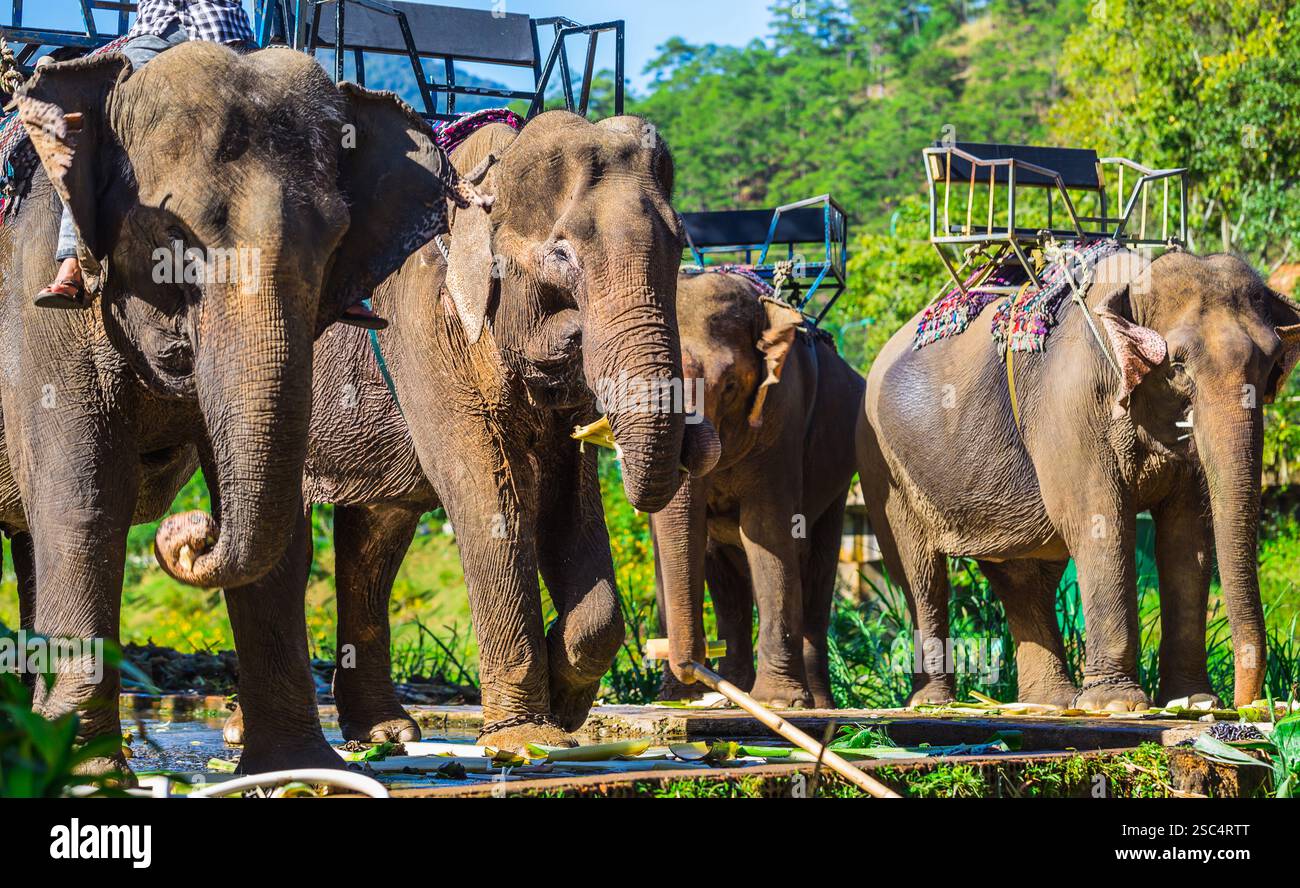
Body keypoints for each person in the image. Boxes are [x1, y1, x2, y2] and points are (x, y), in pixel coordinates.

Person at [33, 0, 383, 328]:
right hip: (154, 36)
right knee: (96, 121)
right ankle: (72, 264)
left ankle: (341, 285)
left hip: (225, 34)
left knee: (306, 121)